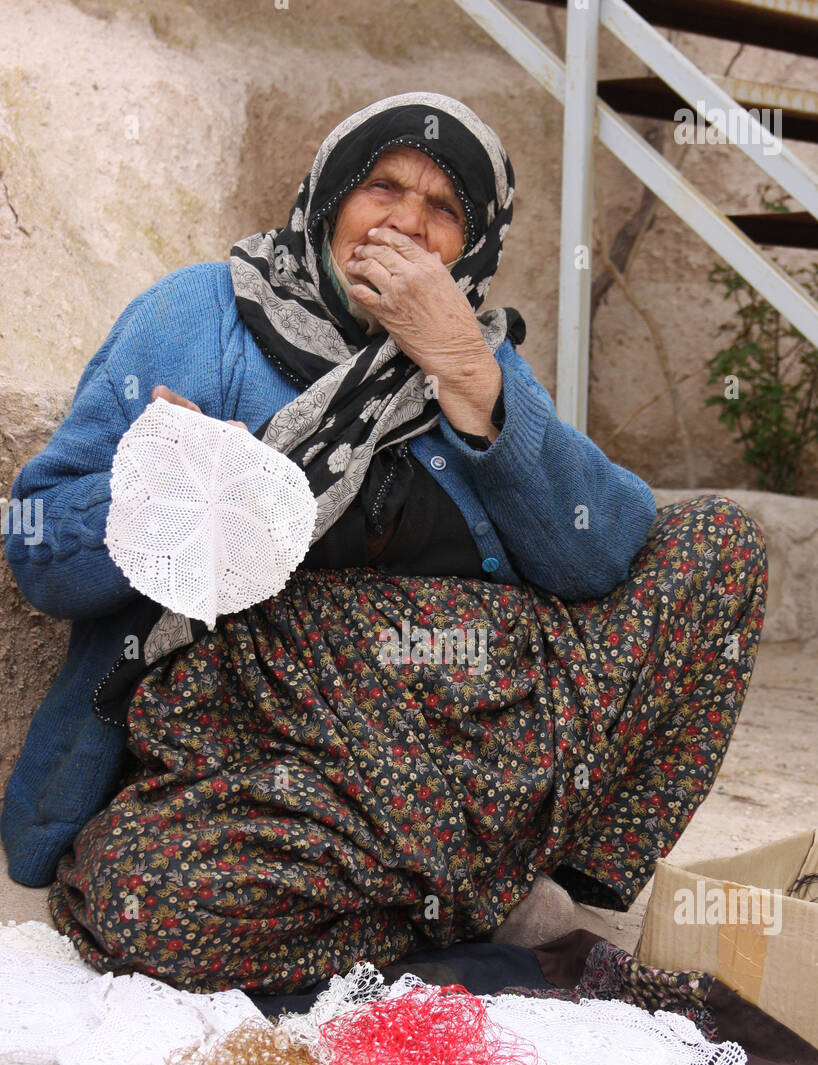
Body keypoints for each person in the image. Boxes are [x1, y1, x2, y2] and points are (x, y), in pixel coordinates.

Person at [2, 92, 767, 995]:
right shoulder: (198, 315)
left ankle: (513, 879)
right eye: (383, 187)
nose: (406, 221)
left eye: (444, 208)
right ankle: (465, 895)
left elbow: (597, 555)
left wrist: (469, 374)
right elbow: (42, 554)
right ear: (329, 198)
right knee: (146, 910)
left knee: (719, 545)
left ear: (472, 247)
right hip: (279, 763)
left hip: (480, 740)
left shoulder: (478, 355)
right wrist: (168, 492)